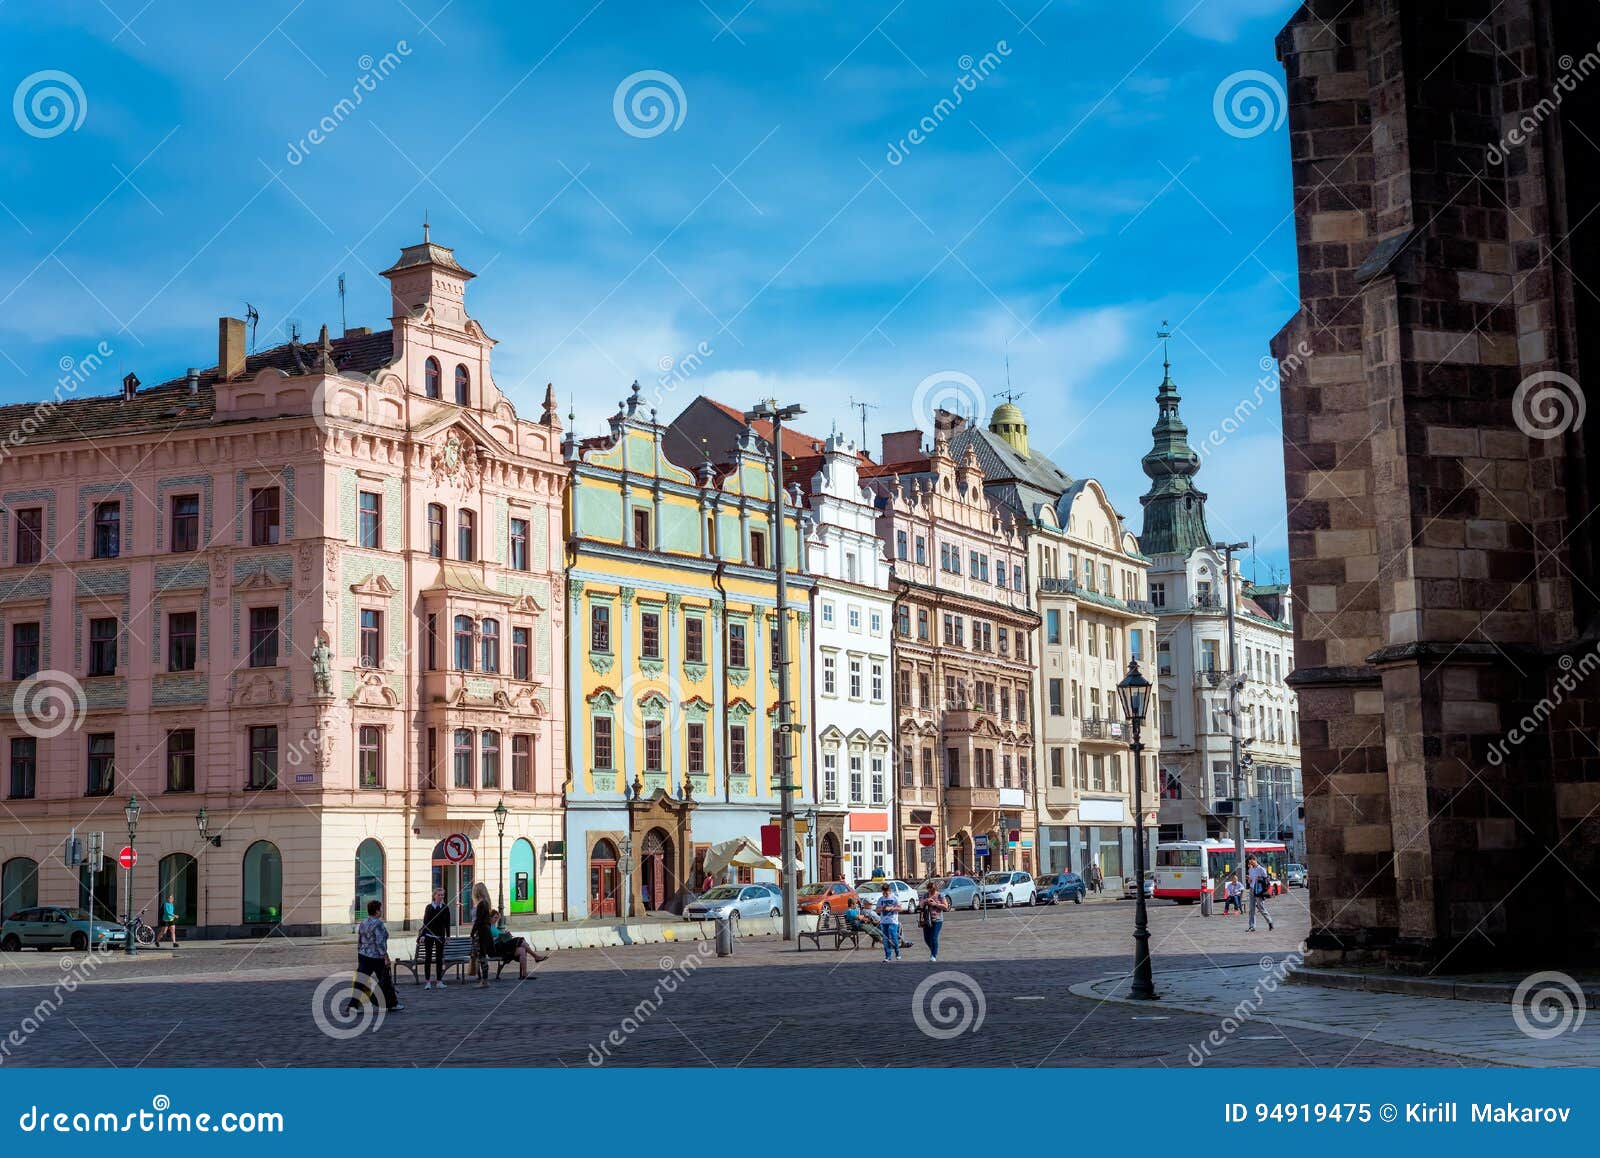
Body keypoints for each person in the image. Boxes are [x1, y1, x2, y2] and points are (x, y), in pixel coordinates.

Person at [355, 899, 403, 1011]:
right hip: (376, 957)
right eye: (380, 909)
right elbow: (380, 942)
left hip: (363, 955)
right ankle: (392, 1004)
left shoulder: (363, 922)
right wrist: (385, 956)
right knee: (386, 980)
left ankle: (353, 1005)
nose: (381, 911)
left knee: (361, 980)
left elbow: (360, 939)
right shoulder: (378, 924)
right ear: (377, 911)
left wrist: (360, 951)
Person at [488, 909, 548, 980]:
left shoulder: (494, 926)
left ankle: (524, 975)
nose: (496, 919)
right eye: (495, 917)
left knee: (522, 950)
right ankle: (535, 956)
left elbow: (501, 938)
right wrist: (498, 937)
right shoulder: (487, 927)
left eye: (497, 918)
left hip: (503, 947)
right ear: (490, 917)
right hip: (496, 949)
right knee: (521, 940)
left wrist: (506, 936)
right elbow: (488, 941)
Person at [420, 887, 451, 989]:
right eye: (439, 895)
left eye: (442, 895)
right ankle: (427, 982)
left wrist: (448, 936)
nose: (441, 896)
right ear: (434, 896)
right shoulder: (429, 907)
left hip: (440, 936)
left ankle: (439, 981)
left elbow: (447, 924)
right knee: (428, 958)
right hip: (429, 936)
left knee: (439, 959)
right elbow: (425, 922)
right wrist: (422, 935)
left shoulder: (445, 908)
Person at [470, 881, 494, 987]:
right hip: (485, 931)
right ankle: (484, 979)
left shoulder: (481, 904)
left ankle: (484, 980)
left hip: (481, 932)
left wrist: (472, 932)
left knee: (482, 956)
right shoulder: (486, 903)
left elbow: (478, 920)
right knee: (482, 956)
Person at [919, 880, 950, 962]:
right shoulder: (925, 895)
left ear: (935, 889)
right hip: (926, 919)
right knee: (926, 938)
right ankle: (933, 950)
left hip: (937, 919)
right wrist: (926, 901)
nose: (929, 892)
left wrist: (935, 904)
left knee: (934, 937)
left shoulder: (940, 895)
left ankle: (933, 955)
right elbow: (920, 905)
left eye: (931, 890)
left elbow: (946, 907)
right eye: (928, 890)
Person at [1245, 856, 1276, 933]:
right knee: (1251, 909)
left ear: (1254, 860)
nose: (1250, 863)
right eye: (1249, 862)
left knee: (1261, 907)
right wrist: (1249, 879)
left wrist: (1259, 879)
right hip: (1252, 889)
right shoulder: (1250, 869)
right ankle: (1252, 926)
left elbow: (1267, 881)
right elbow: (1250, 882)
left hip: (1259, 890)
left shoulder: (1262, 869)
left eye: (1251, 862)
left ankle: (1270, 922)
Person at [875, 887, 903, 962]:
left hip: (893, 921)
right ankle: (888, 956)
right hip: (884, 921)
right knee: (885, 939)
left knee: (893, 935)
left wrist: (891, 908)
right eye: (884, 892)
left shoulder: (895, 898)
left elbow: (900, 908)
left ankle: (897, 952)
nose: (886, 894)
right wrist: (882, 908)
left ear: (890, 891)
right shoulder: (881, 899)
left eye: (887, 892)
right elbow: (877, 910)